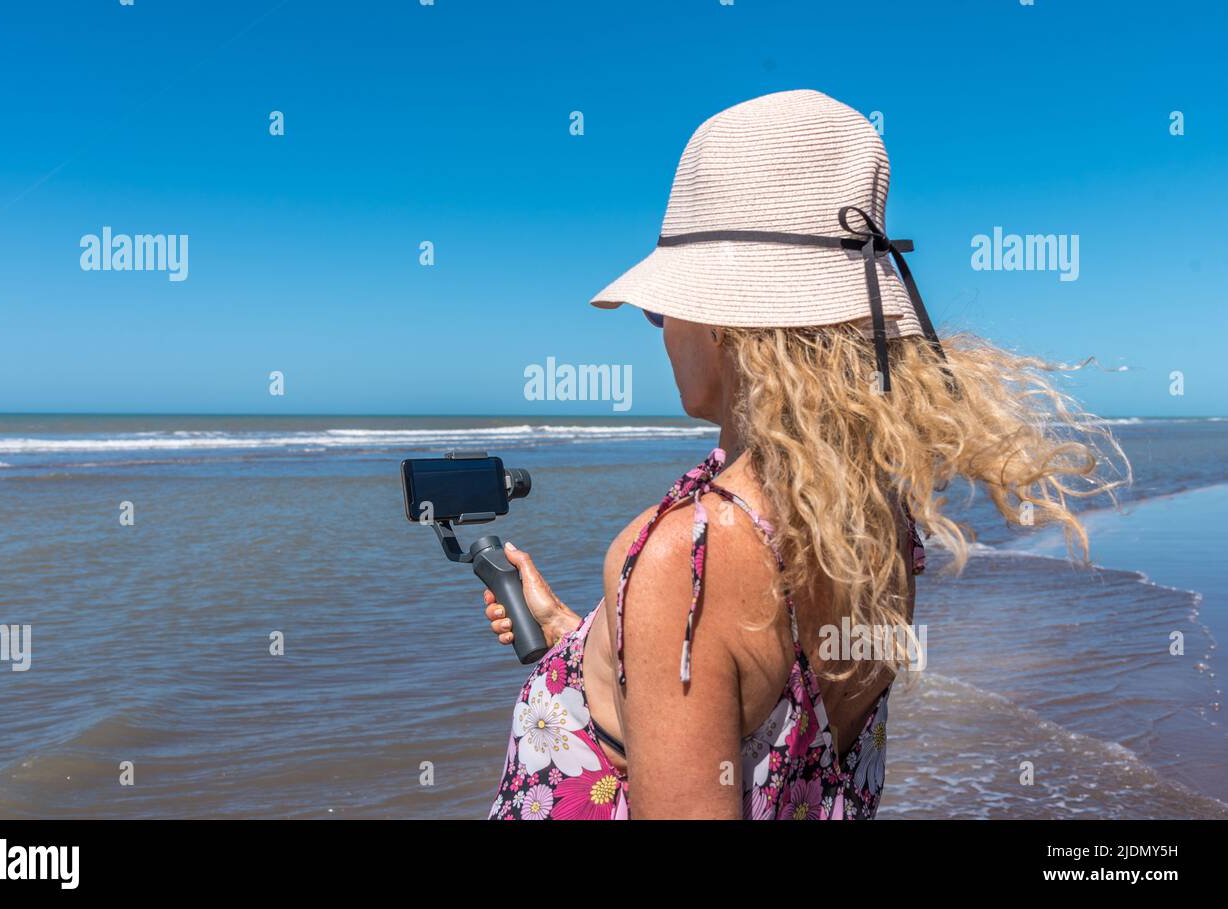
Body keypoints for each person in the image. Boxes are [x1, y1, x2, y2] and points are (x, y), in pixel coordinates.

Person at [482, 90, 1126, 820]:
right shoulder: (875, 516)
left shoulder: (678, 561)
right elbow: (765, 725)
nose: (658, 330)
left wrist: (646, 609)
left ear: (724, 323)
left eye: (661, 308)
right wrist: (583, 637)